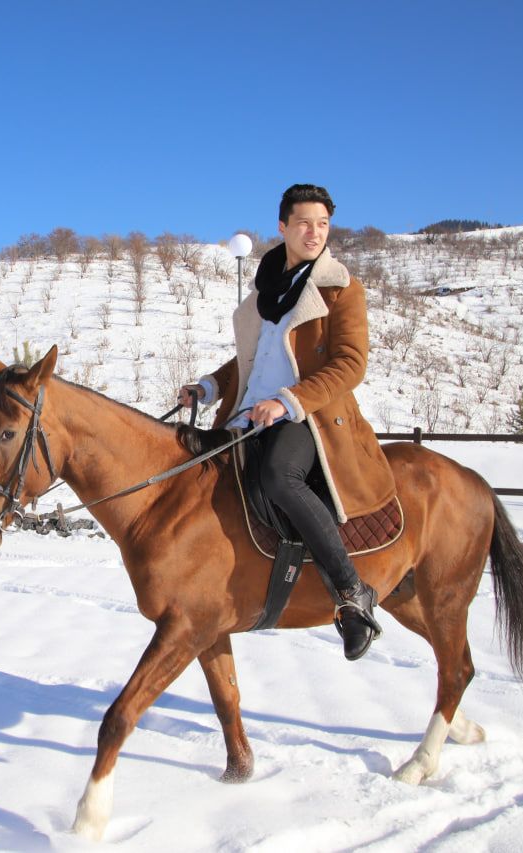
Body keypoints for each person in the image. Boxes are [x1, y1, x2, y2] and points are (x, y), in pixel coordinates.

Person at [178, 183, 395, 660]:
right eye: (303, 223)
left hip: (308, 415)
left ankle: (352, 594)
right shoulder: (265, 290)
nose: (314, 233)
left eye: (322, 224)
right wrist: (210, 387)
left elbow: (351, 363)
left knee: (279, 474)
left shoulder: (341, 288)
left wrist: (288, 401)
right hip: (247, 413)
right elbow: (250, 361)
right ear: (283, 227)